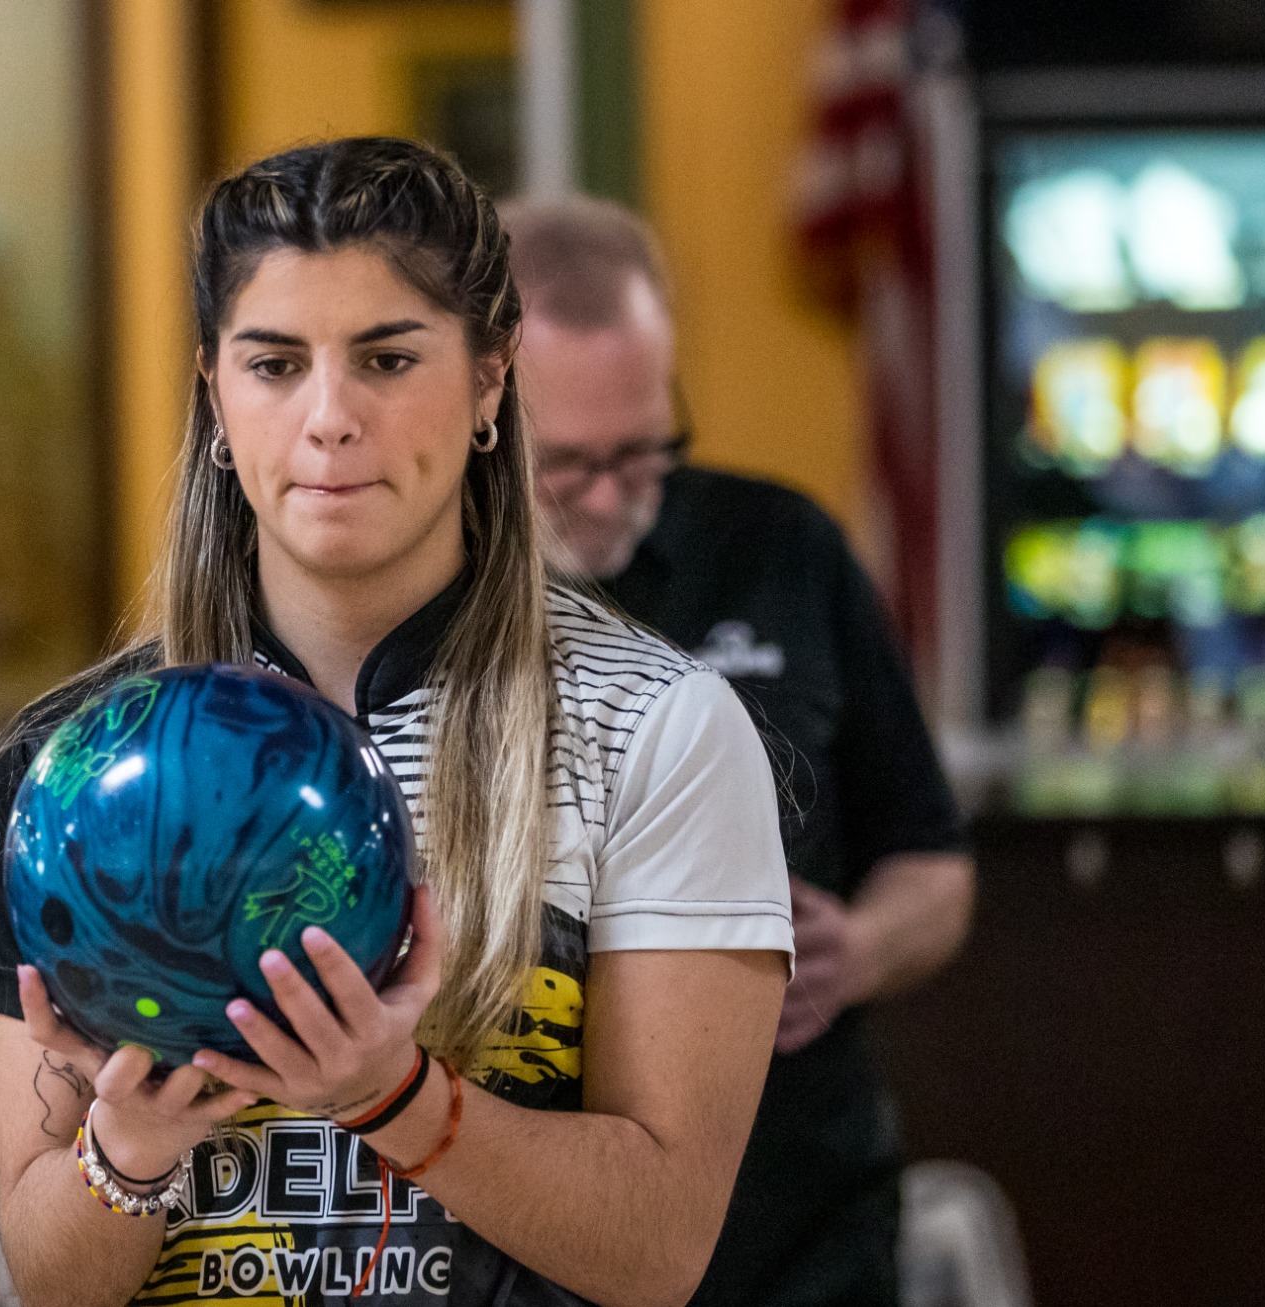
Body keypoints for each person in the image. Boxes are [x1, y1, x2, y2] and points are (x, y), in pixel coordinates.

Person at [0, 139, 796, 1307]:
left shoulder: (657, 729)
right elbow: (51, 1283)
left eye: (387, 358)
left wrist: (387, 1093)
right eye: (274, 363)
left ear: (491, 379)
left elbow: (656, 1249)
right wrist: (129, 1147)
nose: (329, 417)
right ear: (213, 390)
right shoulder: (72, 765)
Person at [502, 196, 975, 1307]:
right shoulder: (422, 594)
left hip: (798, 1213)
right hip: (531, 1217)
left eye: (644, 448)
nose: (613, 496)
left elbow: (934, 862)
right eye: (566, 465)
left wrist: (860, 945)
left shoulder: (782, 547)